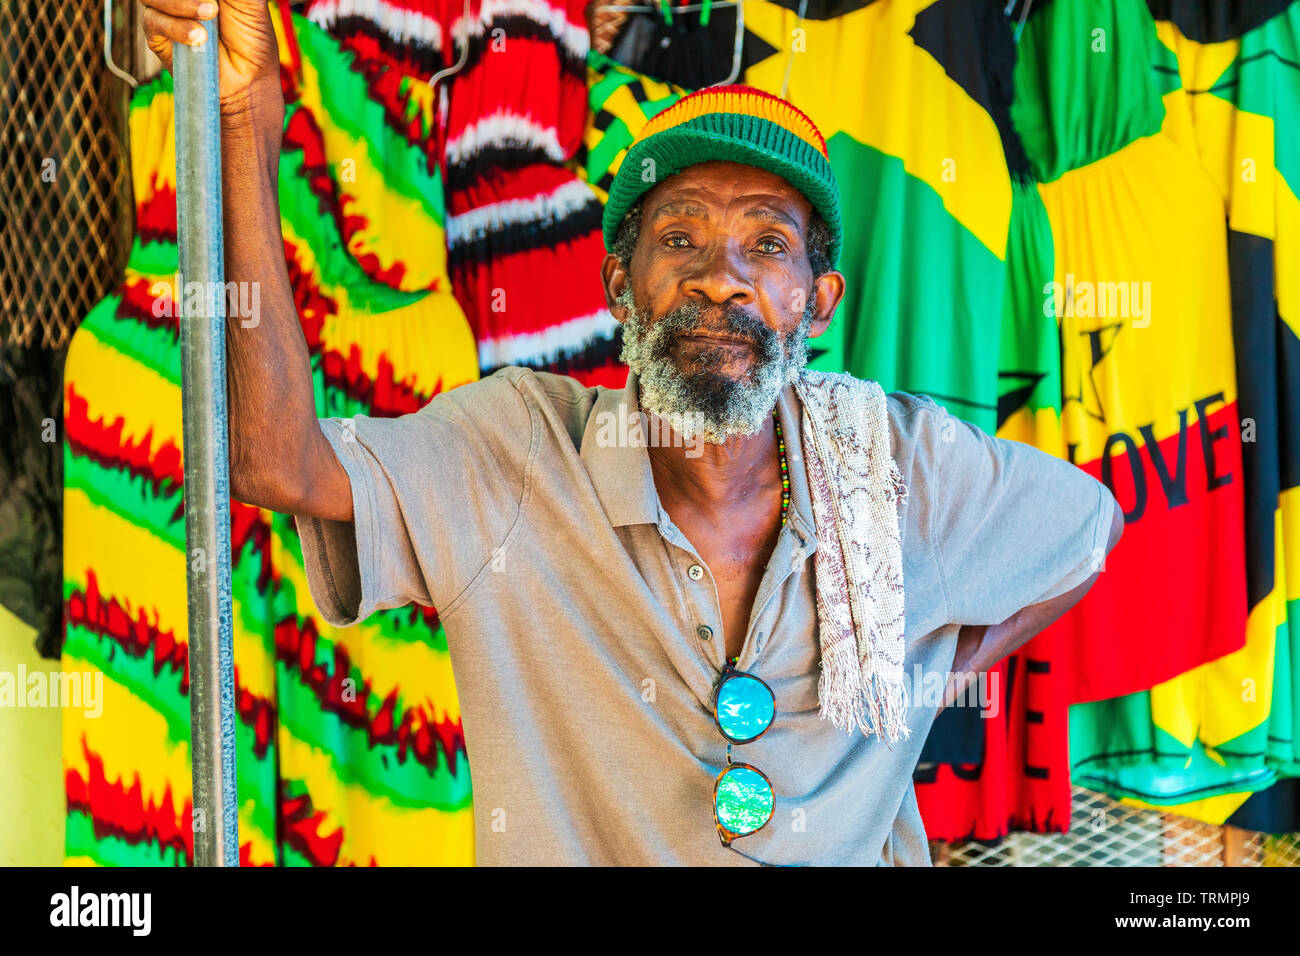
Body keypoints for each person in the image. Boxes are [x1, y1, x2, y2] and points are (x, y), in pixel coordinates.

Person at [142, 0, 1123, 866]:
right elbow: (276, 462)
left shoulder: (897, 468)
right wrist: (241, 125)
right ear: (620, 287)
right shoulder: (519, 451)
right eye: (680, 236)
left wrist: (918, 677)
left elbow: (1088, 529)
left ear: (818, 301)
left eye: (767, 245)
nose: (719, 276)